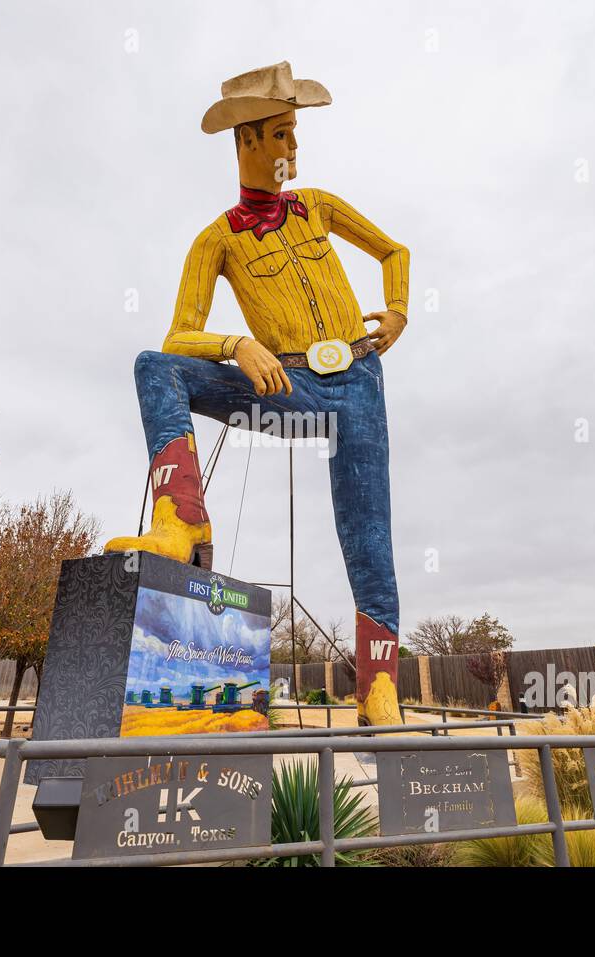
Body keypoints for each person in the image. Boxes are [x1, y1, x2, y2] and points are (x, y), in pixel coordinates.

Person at [103, 62, 410, 727]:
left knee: (369, 533)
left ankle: (379, 686)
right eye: (281, 135)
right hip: (286, 384)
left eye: (294, 134)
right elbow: (178, 333)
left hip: (358, 382)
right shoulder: (215, 240)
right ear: (246, 142)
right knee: (155, 367)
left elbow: (394, 251)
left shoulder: (320, 207)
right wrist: (235, 345)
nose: (292, 150)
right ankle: (182, 517)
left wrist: (398, 310)